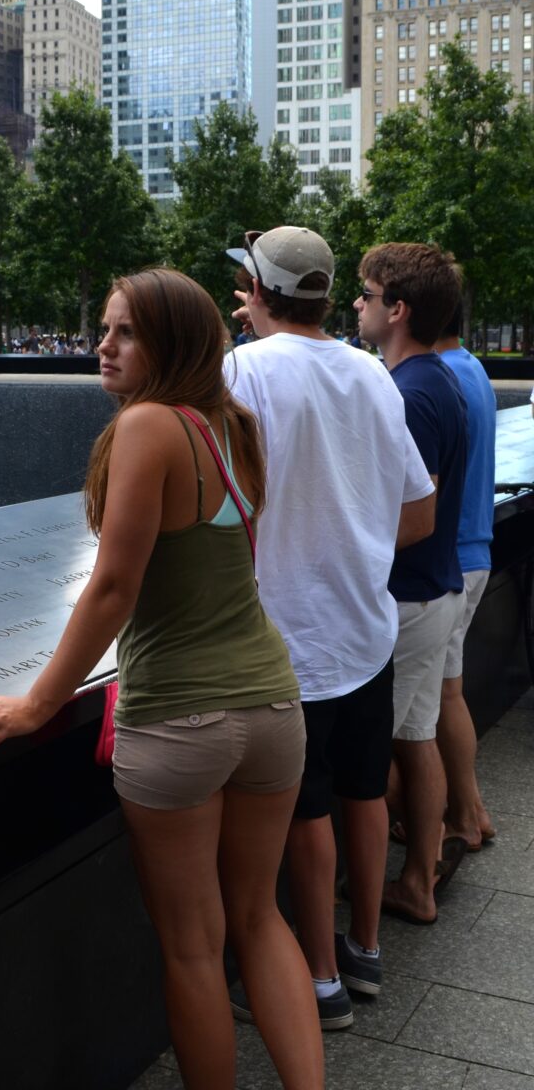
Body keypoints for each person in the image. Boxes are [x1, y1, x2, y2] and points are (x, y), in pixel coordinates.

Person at [0, 269, 323, 1089]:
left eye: (125, 333)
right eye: (105, 329)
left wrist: (38, 703)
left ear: (171, 344)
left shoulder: (148, 426)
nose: (103, 346)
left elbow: (114, 587)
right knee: (260, 918)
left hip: (181, 720)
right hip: (271, 706)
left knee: (193, 948)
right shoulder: (231, 425)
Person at [223, 227, 434, 1026]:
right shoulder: (372, 373)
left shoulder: (241, 371)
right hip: (366, 631)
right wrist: (356, 541)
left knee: (308, 810)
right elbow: (419, 512)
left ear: (258, 292)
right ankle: (365, 949)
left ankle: (320, 981)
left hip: (290, 640)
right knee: (363, 791)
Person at [355, 242, 467, 927]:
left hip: (408, 599)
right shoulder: (436, 379)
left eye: (366, 295)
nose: (357, 305)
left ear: (397, 310)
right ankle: (419, 880)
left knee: (367, 762)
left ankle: (360, 913)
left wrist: (346, 555)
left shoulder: (411, 395)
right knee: (418, 739)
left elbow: (414, 516)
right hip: (435, 591)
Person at [433, 307, 497, 852]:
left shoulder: (440, 376)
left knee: (441, 698)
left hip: (450, 559)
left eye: (368, 295)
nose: (359, 305)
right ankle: (472, 810)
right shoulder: (469, 366)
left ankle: (463, 818)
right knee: (447, 692)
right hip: (473, 549)